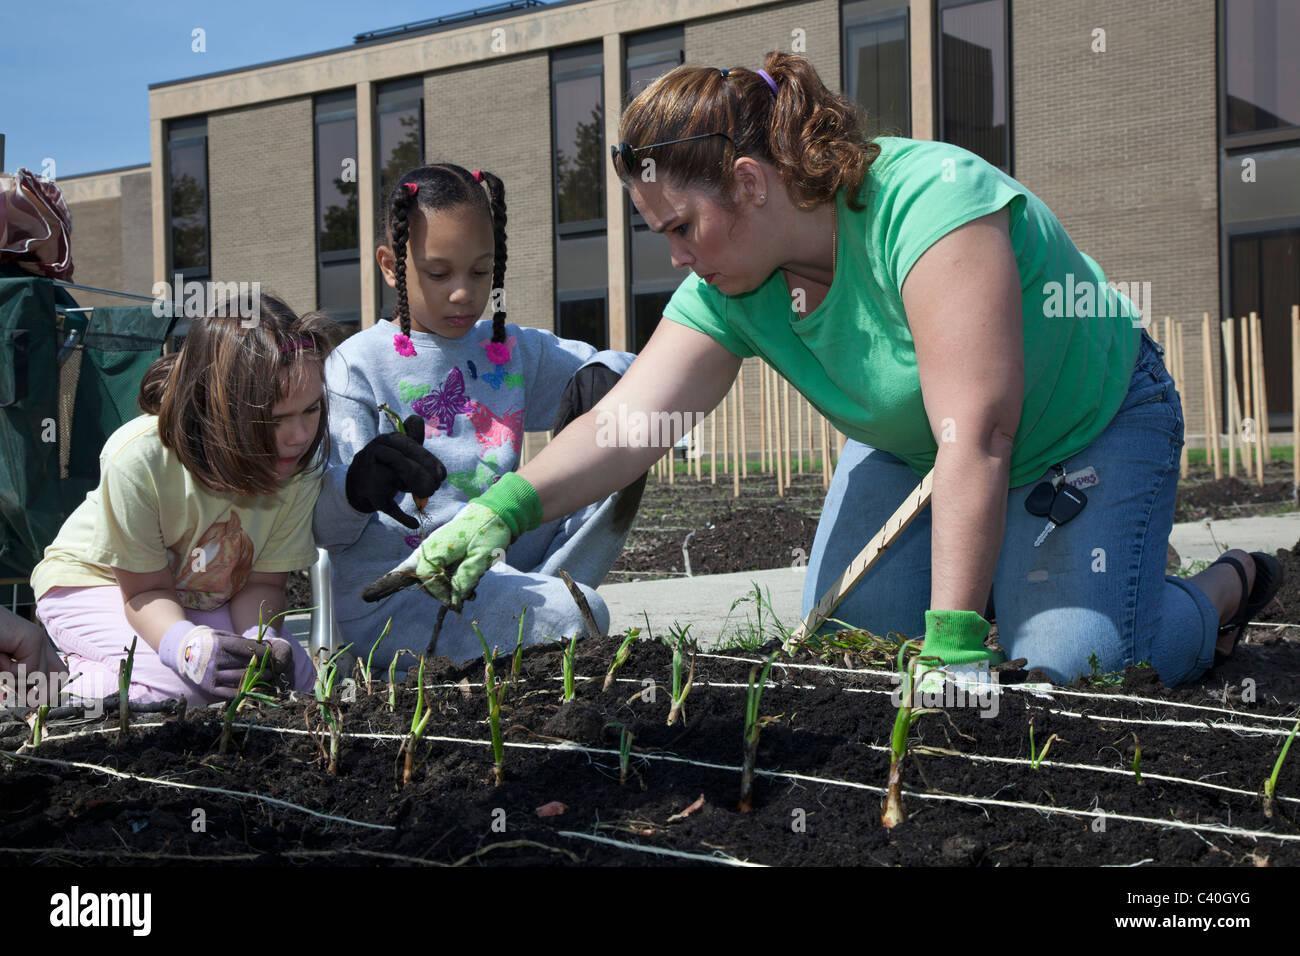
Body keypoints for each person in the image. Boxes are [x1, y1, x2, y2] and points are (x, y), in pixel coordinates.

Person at [374, 53, 1283, 687]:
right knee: (856, 642)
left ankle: (1223, 585)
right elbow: (627, 425)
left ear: (751, 182)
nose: (677, 260)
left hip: (1084, 429)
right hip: (917, 450)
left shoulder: (930, 209)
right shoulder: (732, 284)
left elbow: (983, 433)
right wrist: (501, 512)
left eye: (680, 228)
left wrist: (959, 642)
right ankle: (1056, 571)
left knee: (1066, 668)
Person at [314, 163, 644, 671]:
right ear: (389, 265)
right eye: (439, 273)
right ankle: (538, 618)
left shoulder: (507, 350)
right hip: (401, 596)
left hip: (499, 563)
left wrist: (610, 373)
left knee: (623, 432)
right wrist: (357, 489)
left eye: (480, 272)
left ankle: (539, 605)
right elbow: (325, 529)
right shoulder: (355, 366)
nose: (464, 293)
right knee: (582, 616)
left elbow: (644, 373)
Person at [29, 293, 332, 704]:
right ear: (219, 406)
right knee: (178, 693)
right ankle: (57, 683)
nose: (300, 436)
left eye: (312, 410)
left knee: (297, 678)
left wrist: (259, 639)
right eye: (275, 419)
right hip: (94, 584)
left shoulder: (296, 467)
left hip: (190, 596)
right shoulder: (138, 458)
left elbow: (262, 582)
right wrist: (184, 646)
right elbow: (142, 593)